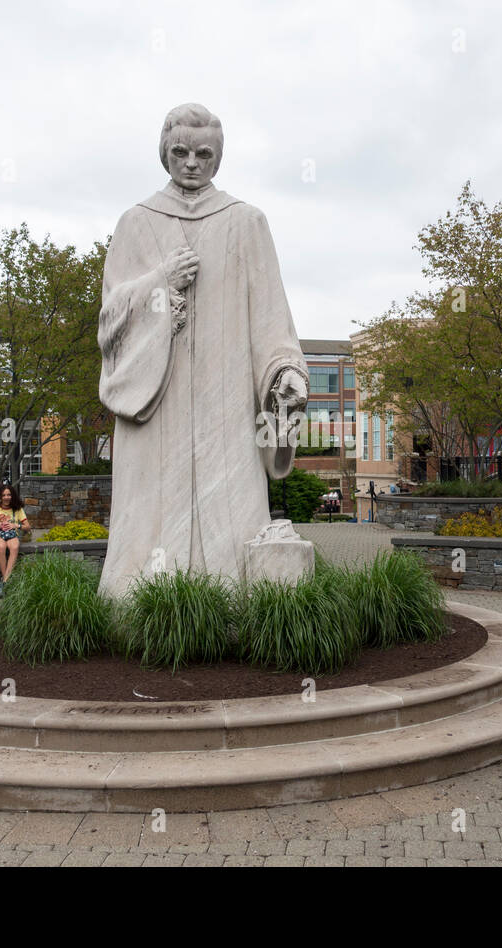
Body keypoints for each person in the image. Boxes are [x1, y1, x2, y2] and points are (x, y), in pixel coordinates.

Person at [96, 103, 309, 598]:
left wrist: (285, 372)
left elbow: (272, 317)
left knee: (231, 521)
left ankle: (234, 605)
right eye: (181, 152)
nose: (191, 162)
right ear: (164, 153)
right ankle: (135, 605)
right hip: (157, 410)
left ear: (218, 159)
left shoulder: (246, 223)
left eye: (203, 154)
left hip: (226, 407)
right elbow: (109, 324)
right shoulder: (135, 223)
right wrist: (160, 283)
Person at [0, 482, 30, 598]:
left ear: (12, 496)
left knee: (14, 547)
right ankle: (6, 580)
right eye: (3, 495)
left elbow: (28, 527)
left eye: (9, 495)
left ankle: (4, 582)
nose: (6, 497)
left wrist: (16, 526)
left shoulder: (17, 508)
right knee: (1, 546)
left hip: (12, 533)